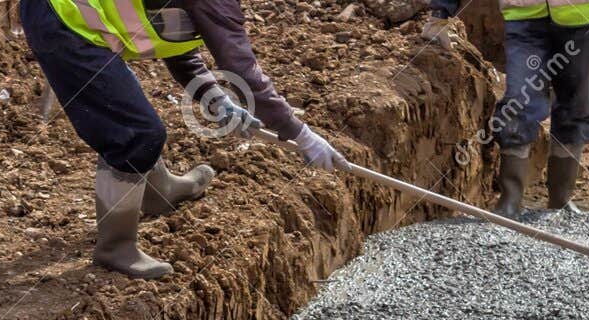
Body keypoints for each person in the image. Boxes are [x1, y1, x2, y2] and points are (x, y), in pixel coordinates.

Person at [20, 0, 345, 279]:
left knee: (133, 120)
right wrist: (302, 136)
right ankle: (116, 248)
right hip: (64, 23)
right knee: (135, 133)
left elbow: (174, 44)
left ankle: (160, 192)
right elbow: (244, 72)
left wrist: (215, 97)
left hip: (75, 21)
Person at [422, 1, 589, 217]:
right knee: (518, 104)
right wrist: (440, 12)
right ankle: (510, 201)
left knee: (577, 106)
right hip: (525, 18)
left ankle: (560, 201)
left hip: (585, 19)